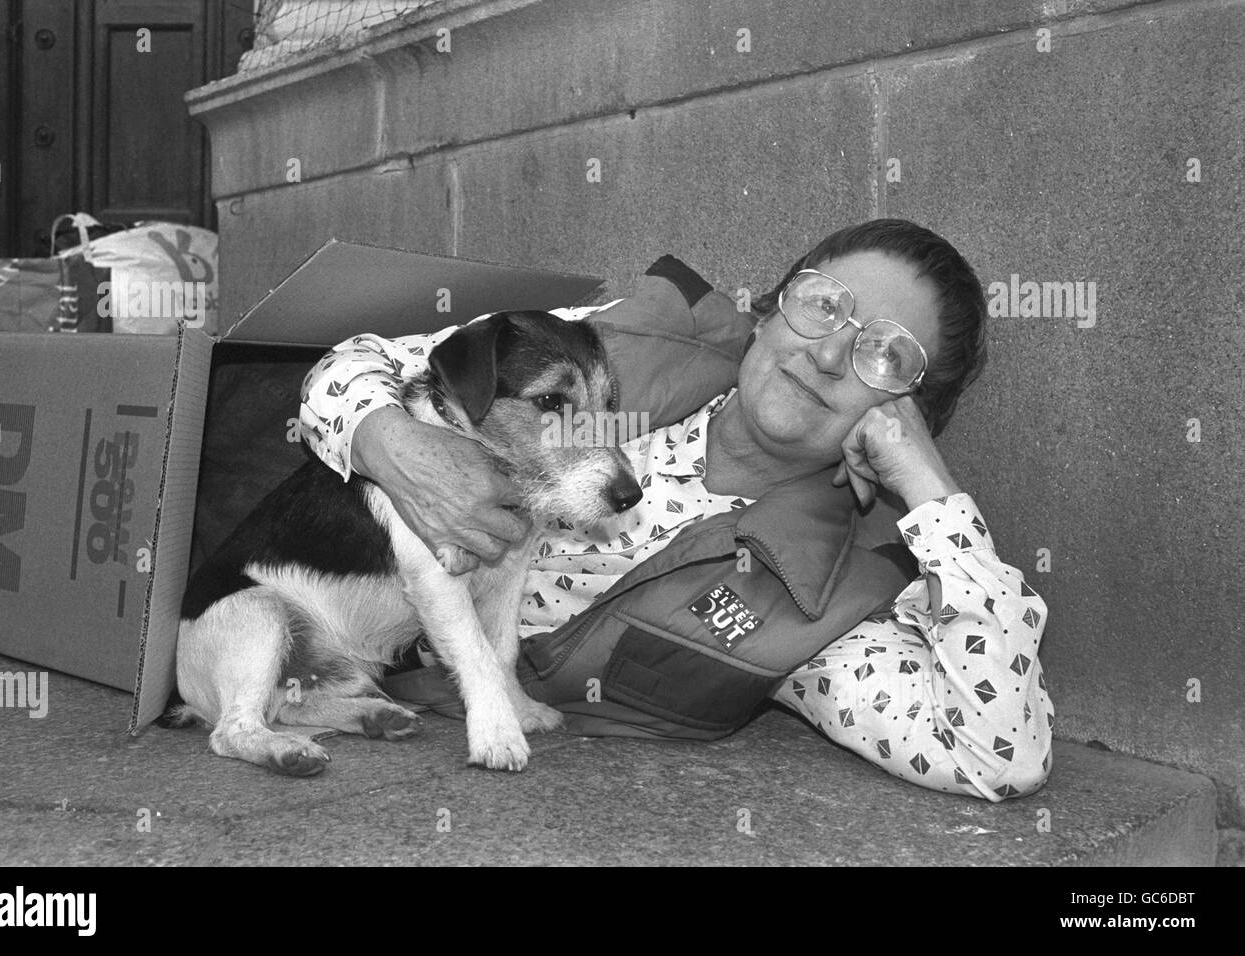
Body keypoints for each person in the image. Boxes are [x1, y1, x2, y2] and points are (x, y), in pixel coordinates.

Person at [298, 219, 1054, 802]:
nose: (828, 355)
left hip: (382, 696)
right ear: (768, 312)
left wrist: (929, 490)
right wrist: (393, 445)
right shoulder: (628, 351)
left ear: (908, 412)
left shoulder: (816, 599)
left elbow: (999, 757)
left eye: (885, 356)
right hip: (297, 561)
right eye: (826, 307)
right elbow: (353, 361)